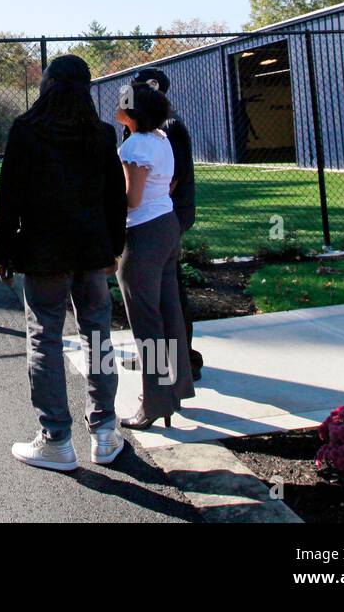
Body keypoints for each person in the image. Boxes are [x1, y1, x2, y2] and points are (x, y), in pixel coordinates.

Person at [0, 55, 129, 471]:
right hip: (91, 253)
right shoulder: (102, 134)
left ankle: (56, 438)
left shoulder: (27, 130)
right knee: (97, 336)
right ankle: (104, 431)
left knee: (45, 339)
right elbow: (115, 200)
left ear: (48, 85)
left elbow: (8, 196)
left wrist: (3, 251)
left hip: (44, 253)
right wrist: (114, 249)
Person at [114, 83, 195, 429]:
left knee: (146, 321)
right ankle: (174, 390)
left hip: (142, 234)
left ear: (134, 112)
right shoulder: (162, 139)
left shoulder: (135, 145)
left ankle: (155, 402)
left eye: (123, 102)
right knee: (169, 313)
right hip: (167, 226)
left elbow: (131, 199)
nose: (118, 105)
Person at [132, 67, 203, 381]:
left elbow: (167, 180)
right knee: (162, 290)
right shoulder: (151, 125)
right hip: (160, 216)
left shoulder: (167, 127)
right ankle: (170, 359)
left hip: (162, 216)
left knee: (165, 292)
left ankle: (182, 359)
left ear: (152, 88)